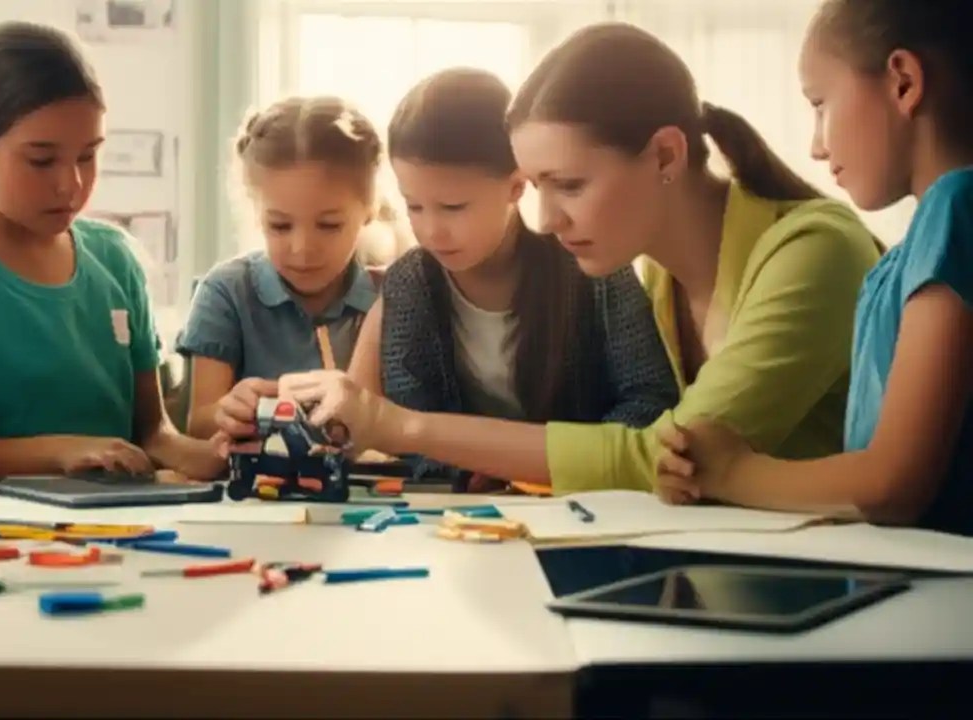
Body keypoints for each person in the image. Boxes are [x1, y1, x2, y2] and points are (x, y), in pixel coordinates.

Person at [256, 24, 879, 494]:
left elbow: (662, 454)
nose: (547, 221)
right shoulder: (659, 273)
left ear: (665, 156)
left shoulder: (811, 250)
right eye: (540, 186)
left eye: (571, 186)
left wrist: (396, 426)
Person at [656, 0, 973, 534]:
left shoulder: (957, 208)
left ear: (902, 82)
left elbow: (891, 485)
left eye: (820, 103)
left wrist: (732, 471)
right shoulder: (907, 255)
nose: (817, 147)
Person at [0, 22, 220, 481]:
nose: (72, 184)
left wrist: (216, 456)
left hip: (126, 521)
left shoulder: (117, 259)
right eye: (42, 160)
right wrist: (64, 452)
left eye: (88, 155)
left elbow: (153, 432)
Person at [339, 68, 676, 489]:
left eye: (453, 206)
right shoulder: (411, 283)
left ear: (517, 186)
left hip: (588, 499)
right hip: (460, 510)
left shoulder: (594, 265)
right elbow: (414, 429)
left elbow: (649, 403)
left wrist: (546, 472)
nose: (431, 232)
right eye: (414, 206)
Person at [177, 98, 383, 440]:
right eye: (280, 226)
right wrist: (231, 410)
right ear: (256, 213)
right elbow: (198, 423)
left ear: (369, 208)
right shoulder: (227, 292)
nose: (302, 248)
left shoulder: (390, 296)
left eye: (329, 225)